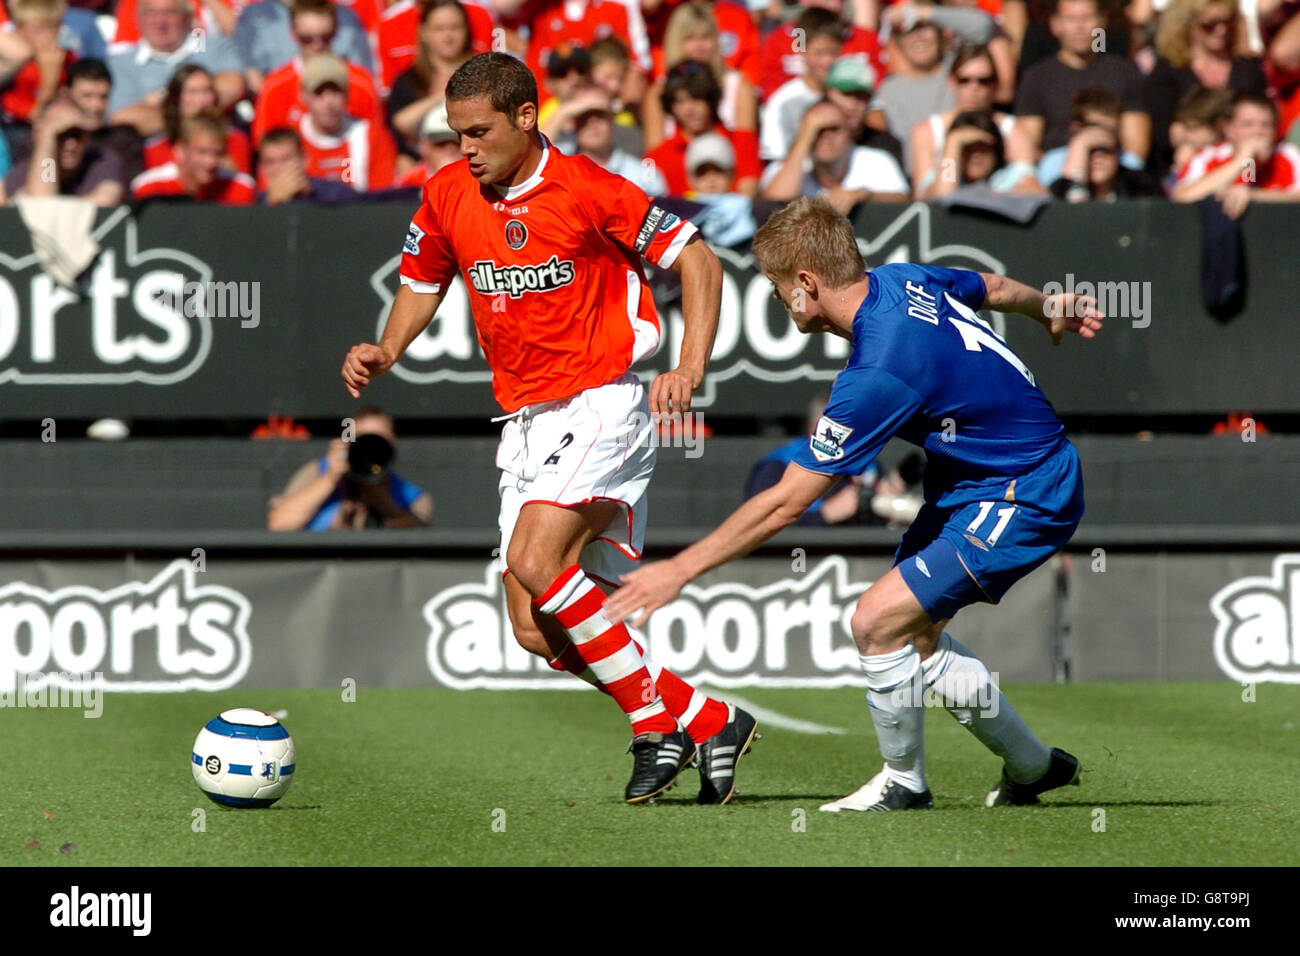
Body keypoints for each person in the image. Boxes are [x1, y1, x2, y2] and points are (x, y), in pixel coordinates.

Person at [341, 51, 758, 806]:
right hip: (527, 422)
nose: (464, 149)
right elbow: (420, 281)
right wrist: (388, 348)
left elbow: (699, 260)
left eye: (477, 132)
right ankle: (706, 717)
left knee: (538, 559)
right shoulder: (445, 194)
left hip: (603, 402)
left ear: (527, 118)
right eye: (454, 133)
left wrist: (689, 369)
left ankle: (651, 725)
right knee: (535, 629)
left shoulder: (589, 188)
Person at [605, 196, 1104, 813]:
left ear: (806, 285)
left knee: (875, 621)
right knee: (915, 638)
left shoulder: (877, 371)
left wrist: (677, 570)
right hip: (972, 481)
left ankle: (904, 783)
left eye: (777, 284)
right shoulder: (902, 278)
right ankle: (1032, 767)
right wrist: (1047, 306)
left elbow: (784, 503)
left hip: (1024, 487)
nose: (777, 298)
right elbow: (995, 286)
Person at [1010, 0, 1149, 167]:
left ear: (1101, 22)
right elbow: (1028, 145)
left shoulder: (1124, 73)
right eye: (1070, 19)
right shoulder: (1036, 78)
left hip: (1113, 171)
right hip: (1055, 173)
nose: (1079, 27)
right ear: (1055, 24)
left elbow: (1135, 148)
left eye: (1086, 18)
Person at [1144, 0, 1267, 179]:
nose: (1221, 30)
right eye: (1209, 25)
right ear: (1187, 24)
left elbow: (1262, 117)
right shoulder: (1168, 71)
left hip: (1244, 171)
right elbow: (1162, 133)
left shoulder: (1248, 68)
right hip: (1184, 170)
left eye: (1228, 21)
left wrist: (1201, 134)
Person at [267, 407, 433, 530]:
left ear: (393, 444)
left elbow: (417, 540)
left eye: (378, 442)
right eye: (363, 441)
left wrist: (383, 501)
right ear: (347, 443)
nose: (370, 450)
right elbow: (279, 524)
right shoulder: (318, 472)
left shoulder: (409, 495)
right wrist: (331, 478)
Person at [251, 0, 382, 148]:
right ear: (293, 34)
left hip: (349, 166)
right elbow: (265, 151)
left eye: (325, 37)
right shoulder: (274, 87)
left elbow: (376, 143)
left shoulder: (360, 82)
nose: (317, 46)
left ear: (336, 31)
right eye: (307, 39)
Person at [106, 0, 244, 129]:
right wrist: (199, 102)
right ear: (137, 19)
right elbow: (122, 120)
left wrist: (162, 100)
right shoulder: (120, 63)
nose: (160, 21)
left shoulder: (212, 46)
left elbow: (232, 87)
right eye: (150, 13)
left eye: (170, 12)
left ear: (187, 17)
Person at [760, 98, 910, 211]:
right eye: (818, 131)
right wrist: (805, 138)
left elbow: (905, 203)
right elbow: (774, 200)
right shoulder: (786, 167)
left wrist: (863, 195)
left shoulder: (877, 161)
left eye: (834, 129)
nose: (827, 138)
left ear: (850, 133)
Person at [911, 44, 1016, 198]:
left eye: (983, 81)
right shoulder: (928, 131)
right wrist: (954, 142)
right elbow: (939, 196)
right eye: (964, 80)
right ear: (952, 82)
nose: (974, 88)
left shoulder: (1011, 129)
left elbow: (1033, 189)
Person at [1172, 91, 1300, 216]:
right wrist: (1241, 160)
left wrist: (1254, 195)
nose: (1257, 131)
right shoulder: (1208, 156)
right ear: (1229, 129)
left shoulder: (1288, 155)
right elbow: (1182, 197)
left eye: (1265, 125)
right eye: (1247, 125)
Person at [293, 53, 396, 192]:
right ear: (304, 96)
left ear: (347, 94)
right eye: (319, 92)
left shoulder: (372, 137)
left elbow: (384, 197)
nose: (329, 102)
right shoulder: (292, 140)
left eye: (336, 91)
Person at [0, 92, 124, 203]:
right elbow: (41, 203)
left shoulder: (101, 161)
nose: (70, 145)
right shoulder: (24, 171)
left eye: (76, 134)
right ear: (39, 137)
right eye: (61, 135)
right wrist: (48, 134)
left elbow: (104, 203)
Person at [145, 64, 252, 173]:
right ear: (176, 99)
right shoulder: (157, 148)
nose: (201, 100)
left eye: (206, 91)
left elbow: (242, 184)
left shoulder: (235, 141)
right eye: (192, 92)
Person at [130, 109, 256, 201]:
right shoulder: (150, 188)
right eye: (202, 152)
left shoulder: (240, 188)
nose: (210, 161)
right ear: (181, 150)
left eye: (218, 153)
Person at [922, 110, 1045, 196]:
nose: (976, 155)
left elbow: (1041, 197)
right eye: (967, 147)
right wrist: (954, 141)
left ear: (996, 149)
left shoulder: (1013, 176)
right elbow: (942, 196)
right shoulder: (938, 177)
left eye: (983, 147)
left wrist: (986, 197)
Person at [1050, 116, 1164, 200]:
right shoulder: (1059, 189)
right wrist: (1080, 144)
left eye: (1105, 150)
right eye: (1090, 151)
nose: (1097, 157)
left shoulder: (1140, 185)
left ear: (1118, 153)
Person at [257, 124, 357, 201]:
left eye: (286, 159)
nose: (279, 167)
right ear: (262, 168)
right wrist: (273, 202)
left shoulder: (335, 193)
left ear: (304, 159)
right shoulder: (254, 203)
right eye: (270, 162)